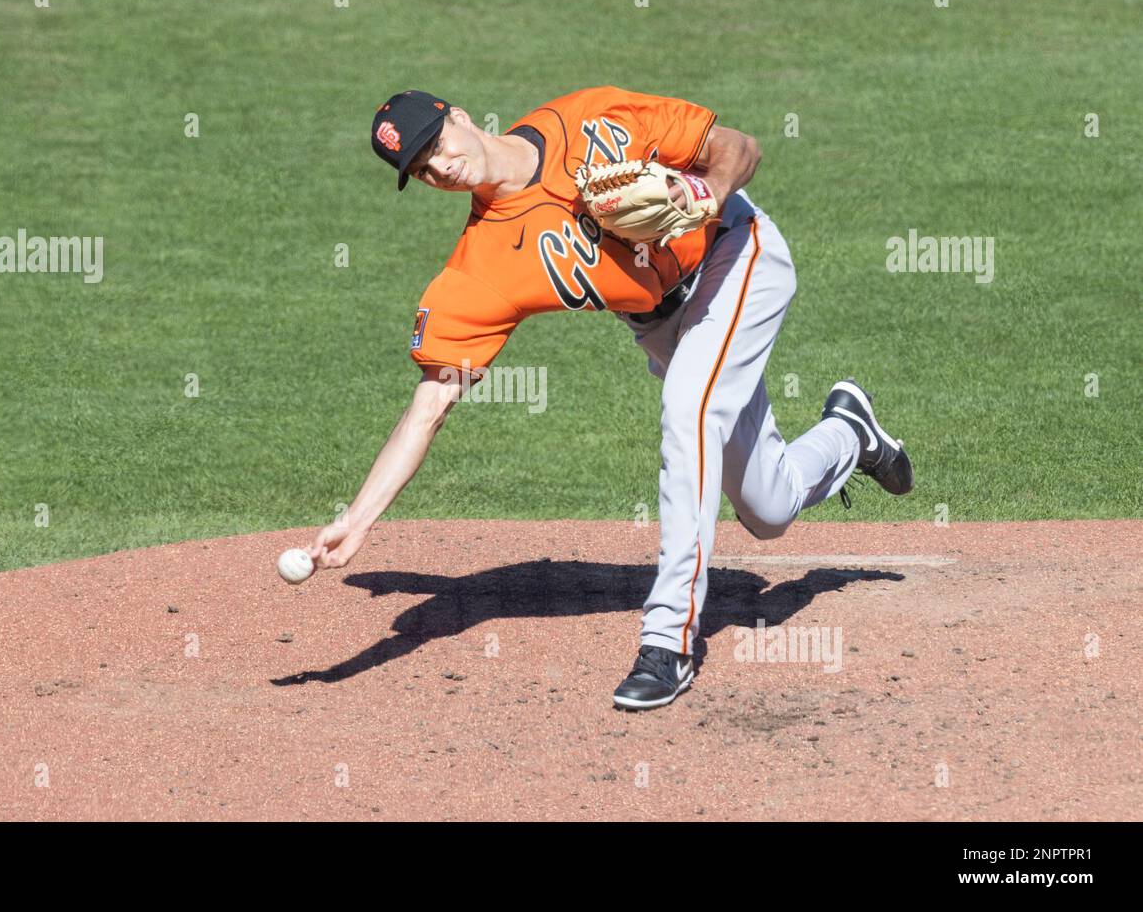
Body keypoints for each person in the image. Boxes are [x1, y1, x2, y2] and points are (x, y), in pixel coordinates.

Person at [307, 87, 913, 711]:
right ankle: (851, 433)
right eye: (420, 169)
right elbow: (431, 404)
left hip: (735, 257)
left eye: (435, 145)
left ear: (459, 117)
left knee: (688, 411)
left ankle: (667, 641)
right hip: (664, 328)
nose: (439, 168)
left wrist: (705, 192)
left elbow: (739, 147)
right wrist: (357, 519)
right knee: (769, 507)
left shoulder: (590, 116)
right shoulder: (476, 273)